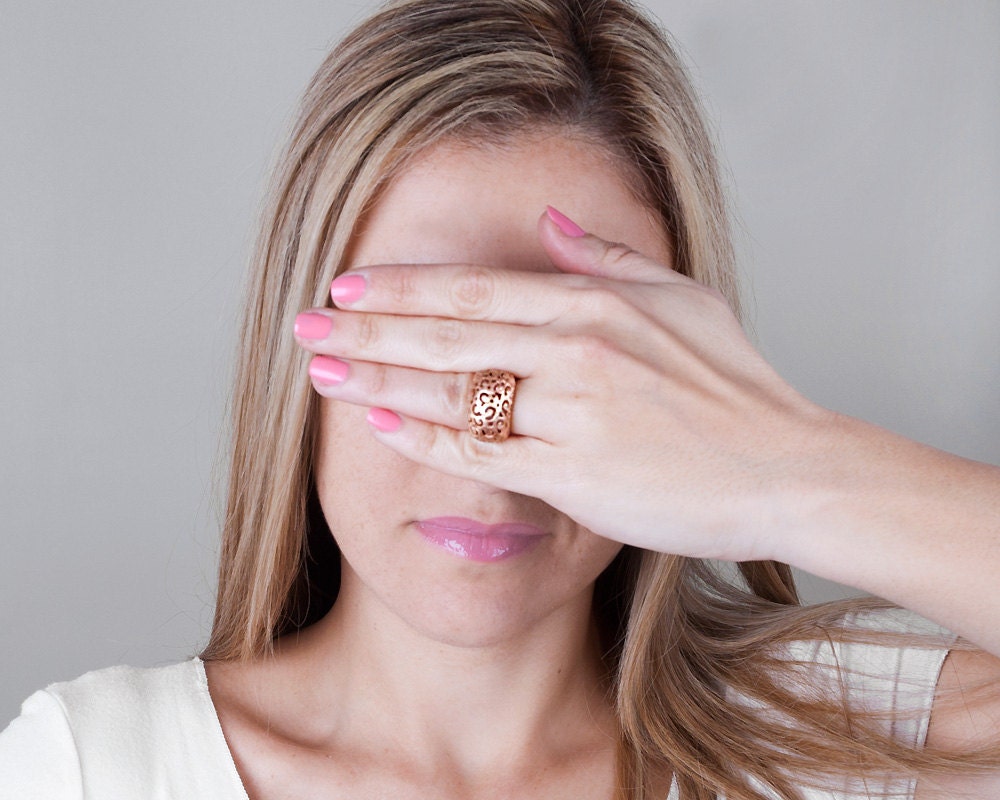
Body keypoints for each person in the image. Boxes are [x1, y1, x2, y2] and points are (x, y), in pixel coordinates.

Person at [2, 0, 998, 798]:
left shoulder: (862, 745)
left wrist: (778, 467)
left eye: (573, 359)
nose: (491, 454)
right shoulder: (89, 768)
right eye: (431, 345)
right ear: (301, 349)